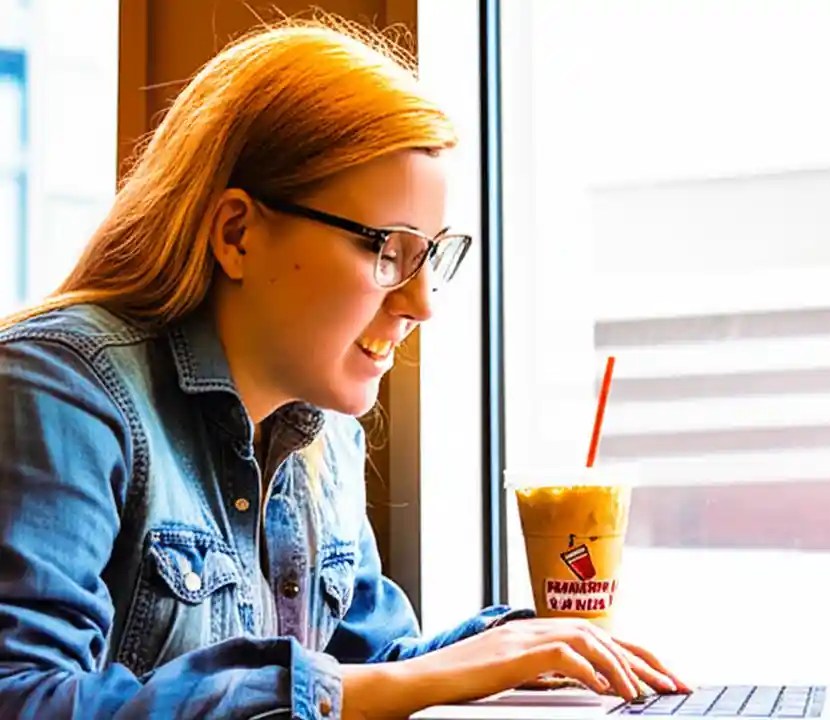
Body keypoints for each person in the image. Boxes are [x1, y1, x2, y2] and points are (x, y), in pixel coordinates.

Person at [0, 17, 688, 720]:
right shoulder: (59, 390)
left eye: (431, 256)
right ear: (238, 234)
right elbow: (20, 698)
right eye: (387, 250)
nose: (423, 303)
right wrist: (390, 684)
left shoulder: (322, 438)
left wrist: (520, 647)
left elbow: (370, 669)